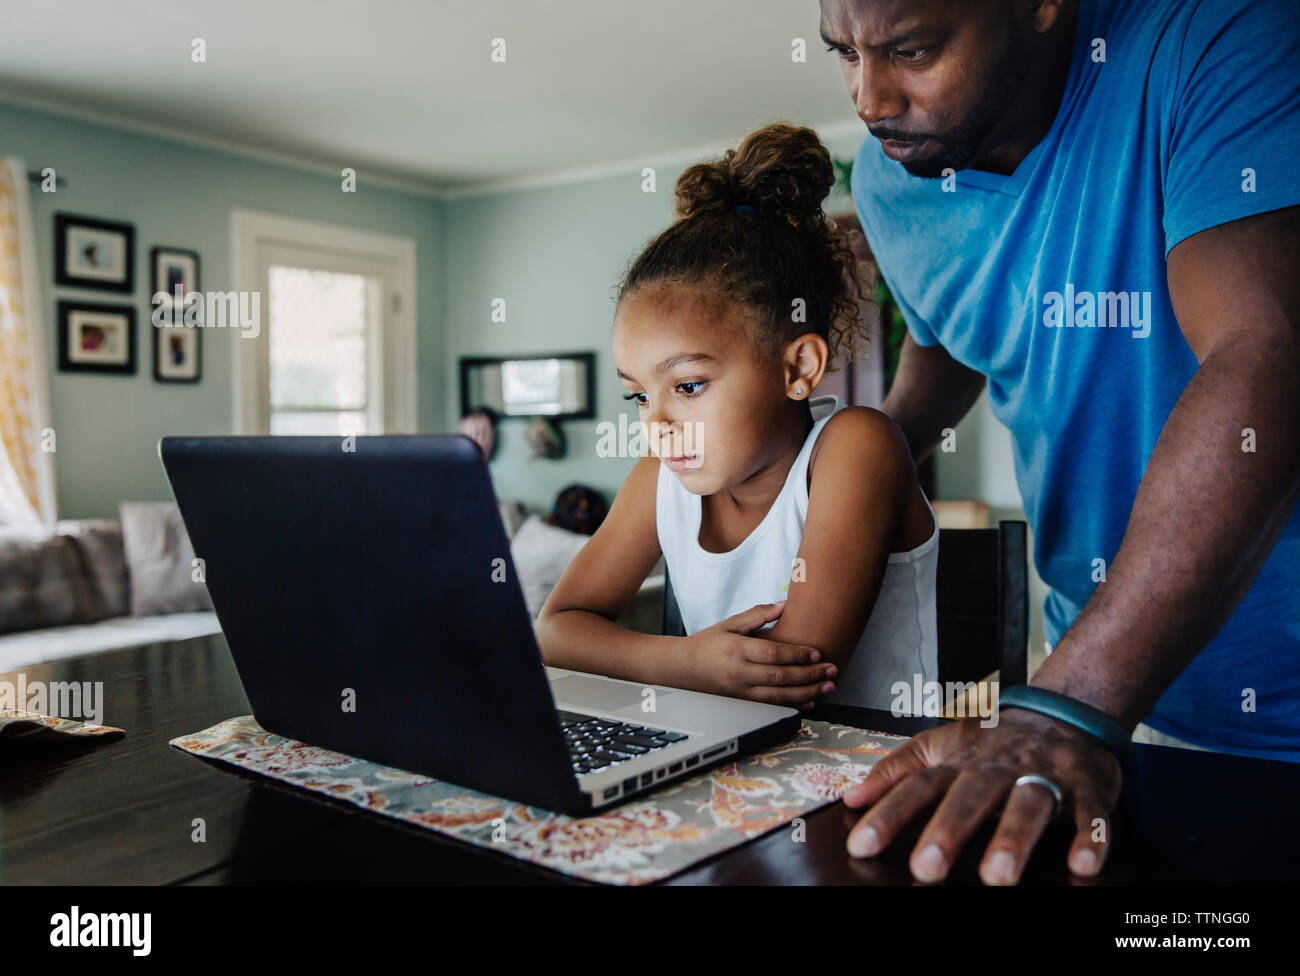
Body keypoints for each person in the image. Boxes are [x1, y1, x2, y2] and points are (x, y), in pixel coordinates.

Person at [817, 0, 1300, 884]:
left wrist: (1069, 705)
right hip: (1112, 701)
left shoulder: (1218, 36)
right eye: (842, 52)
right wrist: (844, 472)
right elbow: (949, 341)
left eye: (912, 49)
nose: (869, 98)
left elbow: (1266, 352)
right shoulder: (890, 185)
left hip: (1245, 709)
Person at [536, 123, 940, 713]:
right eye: (639, 396)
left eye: (689, 385)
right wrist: (682, 661)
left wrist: (679, 666)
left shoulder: (856, 448)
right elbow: (555, 629)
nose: (657, 423)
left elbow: (794, 673)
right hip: (726, 764)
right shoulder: (659, 478)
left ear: (798, 366)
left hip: (871, 776)